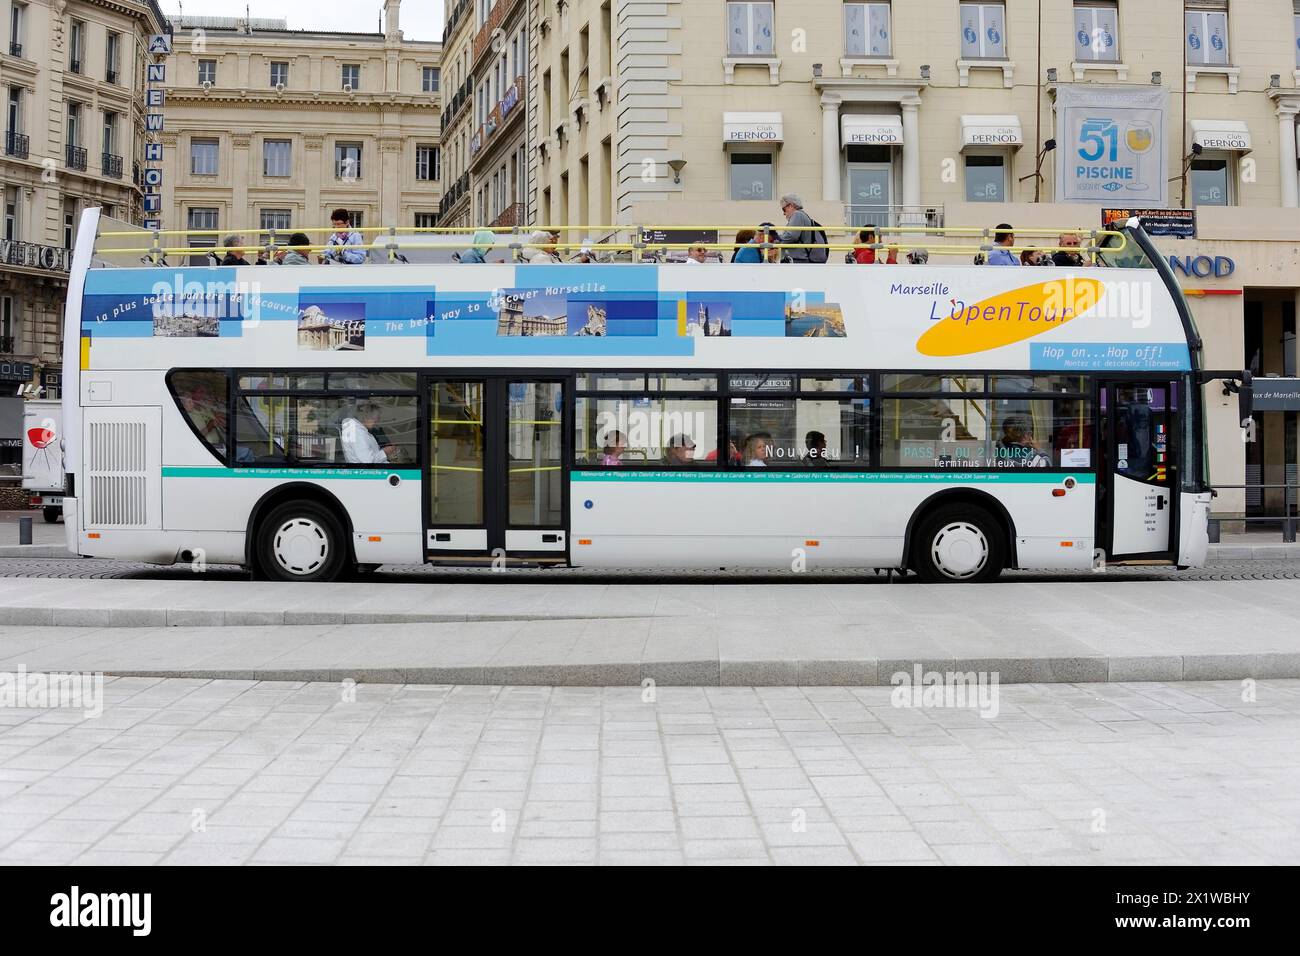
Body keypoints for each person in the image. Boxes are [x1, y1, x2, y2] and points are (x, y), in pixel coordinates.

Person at [776, 193, 817, 263]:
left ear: (791, 206)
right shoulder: (801, 216)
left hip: (797, 260)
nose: (784, 213)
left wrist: (775, 240)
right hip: (798, 259)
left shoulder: (797, 214)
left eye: (784, 209)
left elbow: (791, 236)